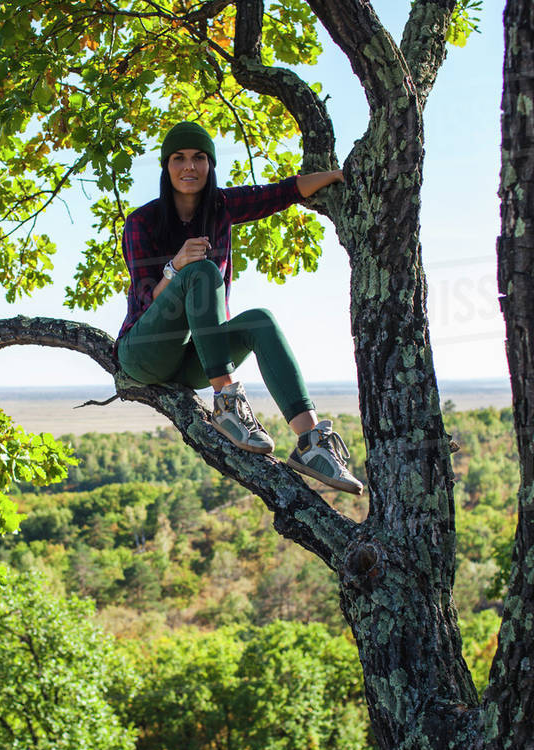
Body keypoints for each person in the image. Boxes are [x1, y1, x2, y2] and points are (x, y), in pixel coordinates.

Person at [116, 121, 364, 495]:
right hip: (145, 351)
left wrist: (339, 175)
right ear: (166, 167)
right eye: (179, 159)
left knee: (260, 322)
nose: (189, 167)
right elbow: (146, 298)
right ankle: (228, 403)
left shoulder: (221, 208)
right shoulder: (142, 222)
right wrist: (176, 266)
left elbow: (283, 192)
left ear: (210, 165)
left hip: (193, 359)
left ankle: (311, 443)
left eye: (199, 158)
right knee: (201, 272)